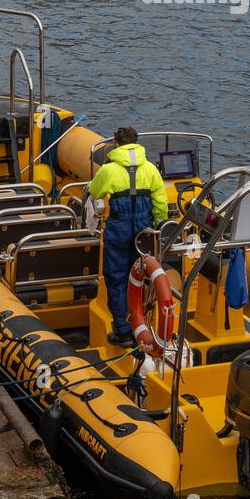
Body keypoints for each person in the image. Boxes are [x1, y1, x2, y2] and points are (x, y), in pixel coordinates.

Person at [88, 127, 168, 345]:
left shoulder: (108, 170)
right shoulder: (151, 169)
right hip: (143, 232)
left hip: (118, 229)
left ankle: (123, 330)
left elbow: (94, 191)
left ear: (116, 144)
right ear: (137, 142)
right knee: (139, 277)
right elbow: (160, 202)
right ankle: (140, 325)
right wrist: (159, 225)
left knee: (117, 277)